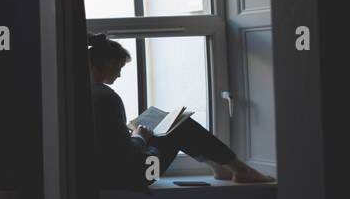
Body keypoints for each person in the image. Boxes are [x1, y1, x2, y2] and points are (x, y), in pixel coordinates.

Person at [87, 33, 273, 188]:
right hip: (132, 176)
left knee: (170, 123)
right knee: (180, 125)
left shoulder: (78, 94)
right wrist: (139, 136)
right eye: (119, 68)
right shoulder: (106, 97)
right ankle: (240, 169)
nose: (119, 75)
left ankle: (219, 166)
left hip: (102, 176)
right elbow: (123, 154)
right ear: (109, 63)